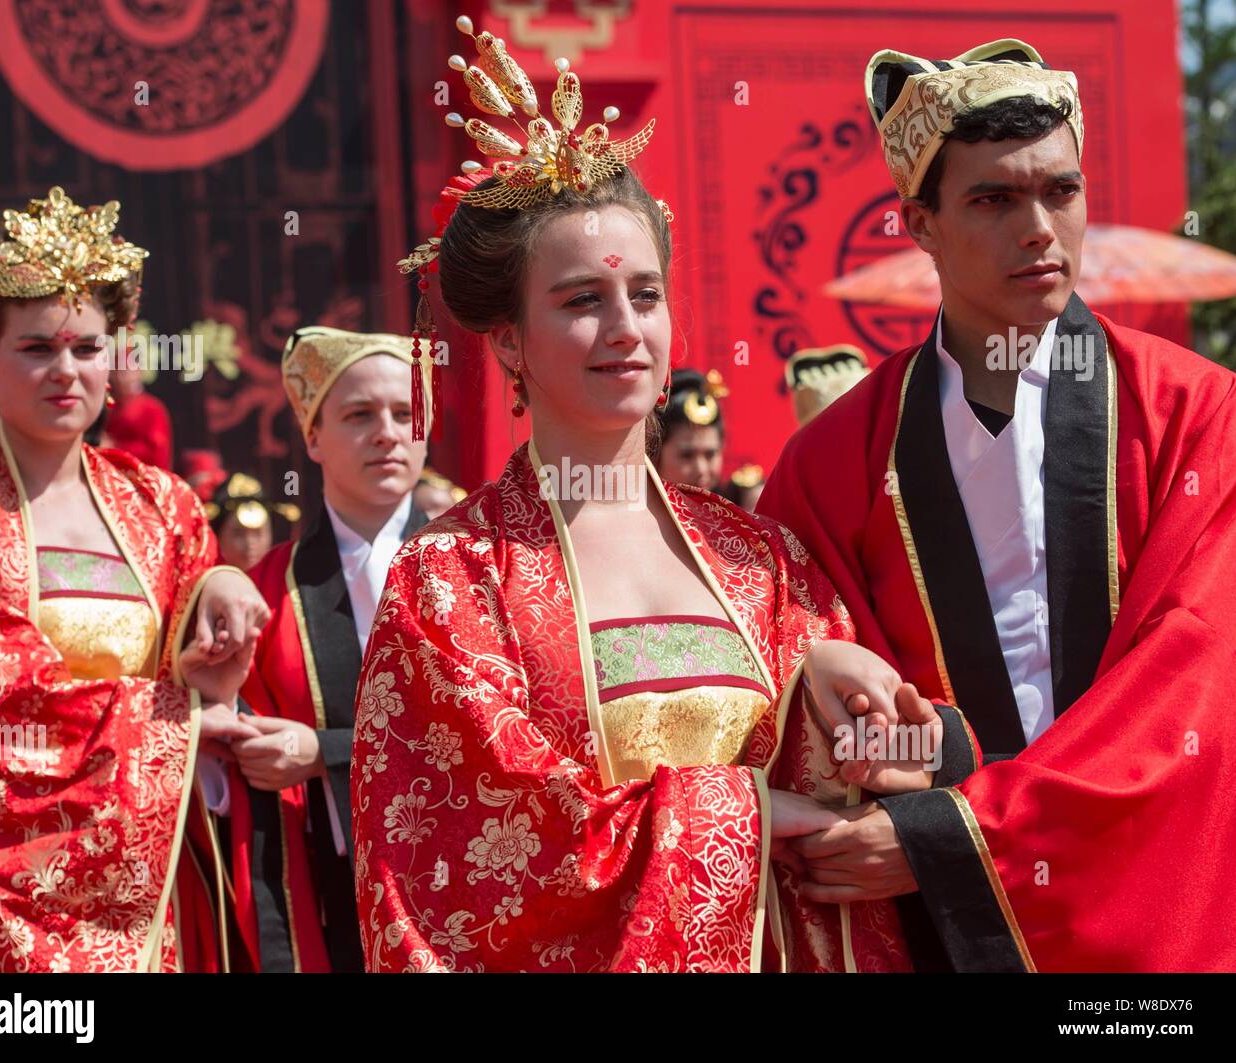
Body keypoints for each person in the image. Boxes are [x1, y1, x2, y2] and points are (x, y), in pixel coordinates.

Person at [350, 17, 957, 973]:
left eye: (645, 293)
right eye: (581, 300)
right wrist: (746, 813)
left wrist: (822, 695)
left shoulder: (759, 560)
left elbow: (858, 788)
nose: (624, 327)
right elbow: (466, 873)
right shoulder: (448, 584)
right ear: (509, 340)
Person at [758, 40, 1236, 972]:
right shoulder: (829, 463)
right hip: (926, 930)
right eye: (993, 199)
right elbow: (785, 686)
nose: (1039, 229)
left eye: (1061, 192)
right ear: (918, 222)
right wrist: (899, 769)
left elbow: (1200, 681)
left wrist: (953, 835)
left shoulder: (1199, 415)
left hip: (1154, 923)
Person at [0, 186, 269, 972]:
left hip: (147, 892)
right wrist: (175, 721)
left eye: (87, 348)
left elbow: (209, 680)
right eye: (36, 348)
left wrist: (220, 585)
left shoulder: (164, 506)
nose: (66, 371)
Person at [225, 328, 432, 972]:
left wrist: (326, 752)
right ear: (312, 437)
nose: (387, 433)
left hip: (469, 883)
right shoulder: (267, 589)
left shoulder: (484, 571)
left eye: (405, 414)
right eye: (358, 415)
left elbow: (498, 741)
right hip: (328, 901)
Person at [206, 472, 300, 573]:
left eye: (258, 533)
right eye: (238, 533)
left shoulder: (287, 579)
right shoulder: (203, 584)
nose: (249, 543)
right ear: (217, 536)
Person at [655, 367, 727, 491]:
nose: (701, 470)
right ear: (655, 453)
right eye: (686, 455)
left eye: (710, 455)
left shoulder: (730, 509)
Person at [104, 361, 173, 469]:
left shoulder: (152, 408)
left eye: (124, 371)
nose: (119, 377)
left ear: (138, 372)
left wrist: (115, 447)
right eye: (115, 372)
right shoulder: (110, 407)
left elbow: (155, 451)